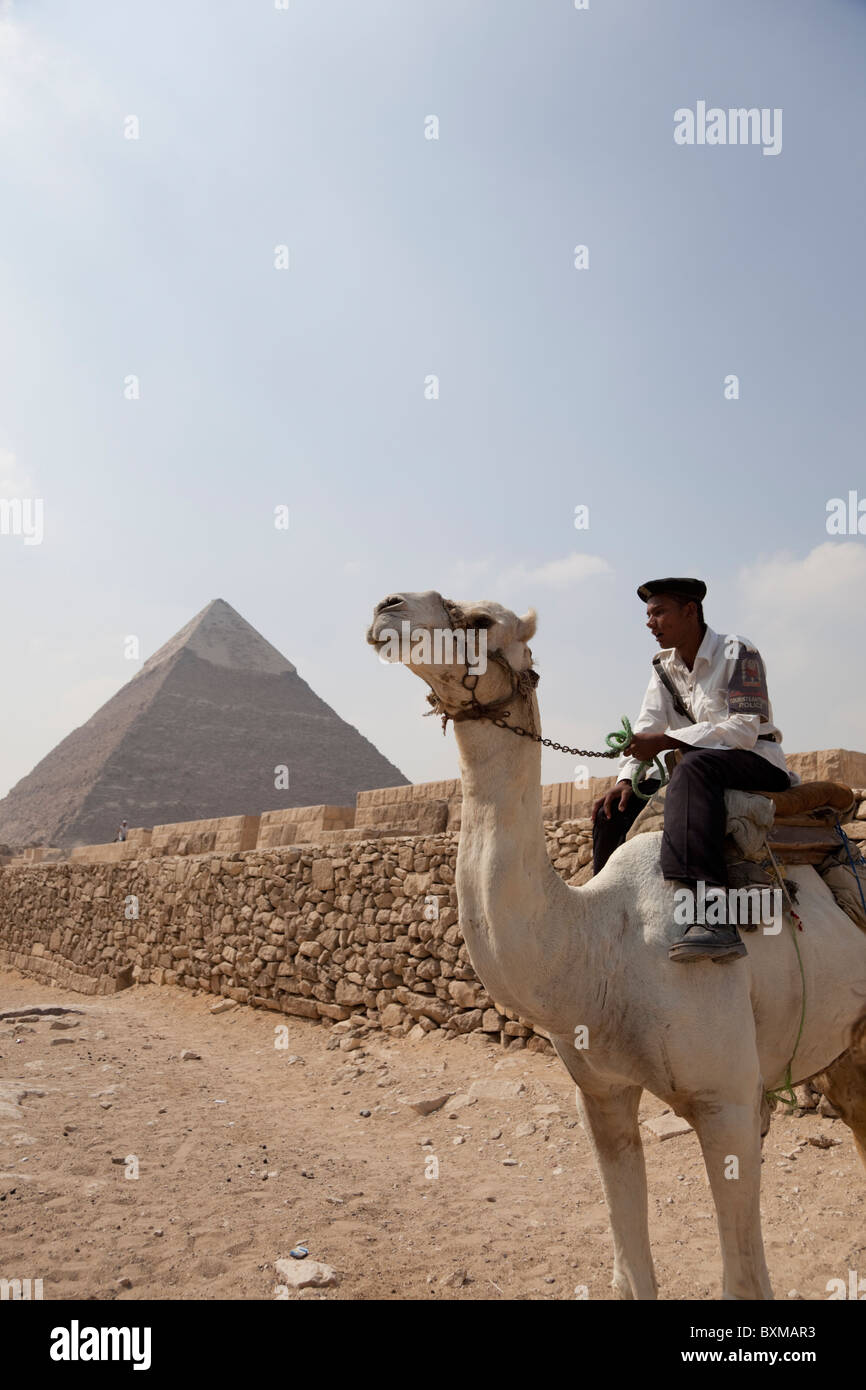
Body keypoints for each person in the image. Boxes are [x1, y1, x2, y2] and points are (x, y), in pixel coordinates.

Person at [591, 578, 791, 963]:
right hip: (700, 764)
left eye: (659, 612)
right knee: (609, 807)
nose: (651, 623)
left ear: (690, 610)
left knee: (693, 768)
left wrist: (666, 741)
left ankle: (712, 915)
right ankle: (604, 917)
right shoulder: (663, 666)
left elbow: (744, 730)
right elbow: (647, 724)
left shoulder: (738, 651)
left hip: (757, 761)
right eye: (648, 615)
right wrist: (624, 777)